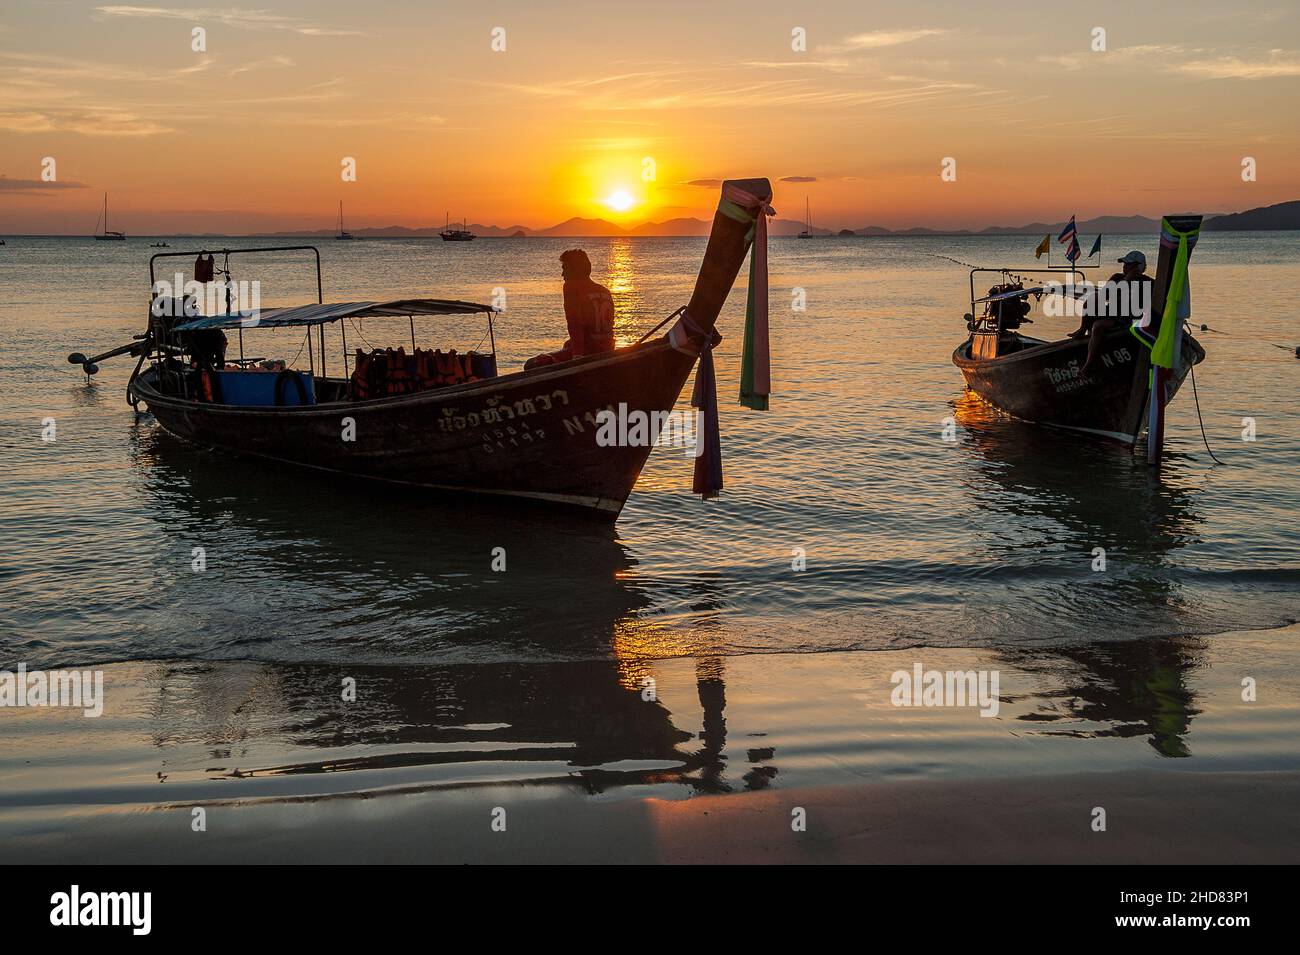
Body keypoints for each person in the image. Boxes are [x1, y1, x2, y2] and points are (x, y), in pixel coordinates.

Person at [524, 249, 615, 369]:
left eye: (564, 268)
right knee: (566, 345)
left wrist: (577, 356)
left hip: (587, 351)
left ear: (574, 270)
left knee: (532, 364)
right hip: (606, 350)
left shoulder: (572, 287)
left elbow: (574, 322)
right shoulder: (605, 291)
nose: (562, 274)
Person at [1078, 250, 1154, 376]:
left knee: (1098, 325)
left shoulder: (1148, 283)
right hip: (1113, 313)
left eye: (1128, 265)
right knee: (1092, 300)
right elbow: (1105, 296)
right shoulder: (1117, 278)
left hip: (1129, 319)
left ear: (1138, 267)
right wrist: (1126, 280)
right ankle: (1082, 330)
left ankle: (1088, 365)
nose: (1124, 267)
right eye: (1124, 264)